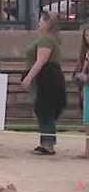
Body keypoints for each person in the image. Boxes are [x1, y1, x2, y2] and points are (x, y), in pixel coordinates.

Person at [21, 11, 66, 155]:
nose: (39, 22)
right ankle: (46, 141)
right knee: (44, 108)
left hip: (47, 76)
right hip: (48, 75)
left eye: (41, 19)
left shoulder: (46, 40)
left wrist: (29, 77)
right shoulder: (49, 38)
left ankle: (48, 143)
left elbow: (41, 60)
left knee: (45, 108)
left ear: (47, 23)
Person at [76, 24, 89, 159]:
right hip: (86, 88)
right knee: (87, 120)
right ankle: (87, 150)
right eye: (86, 36)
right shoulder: (86, 53)